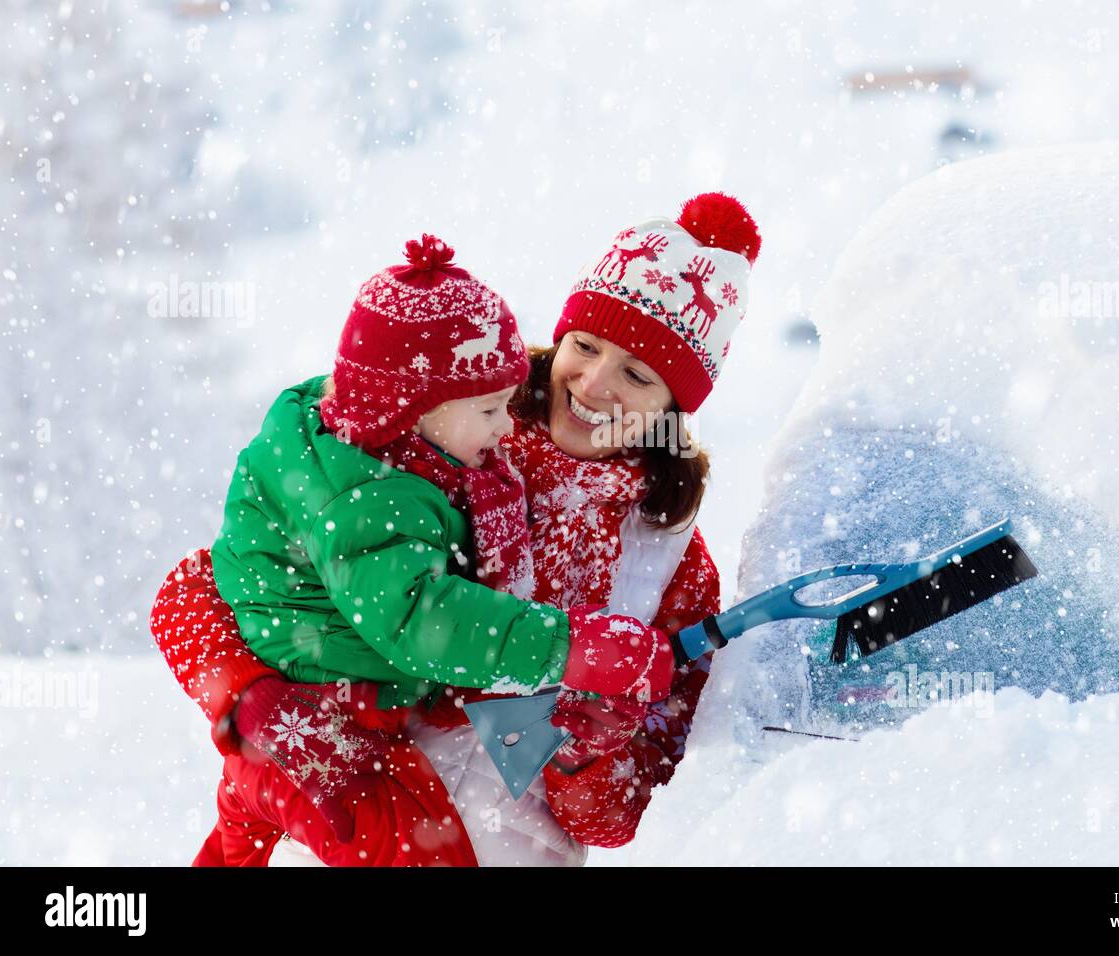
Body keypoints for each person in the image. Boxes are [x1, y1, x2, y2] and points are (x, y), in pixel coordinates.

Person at [150, 192, 761, 864]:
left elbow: (617, 817)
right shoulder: (439, 433)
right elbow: (208, 586)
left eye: (638, 375)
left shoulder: (669, 567)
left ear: (676, 404)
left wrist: (588, 751)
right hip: (351, 823)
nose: (591, 384)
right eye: (584, 346)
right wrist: (248, 694)